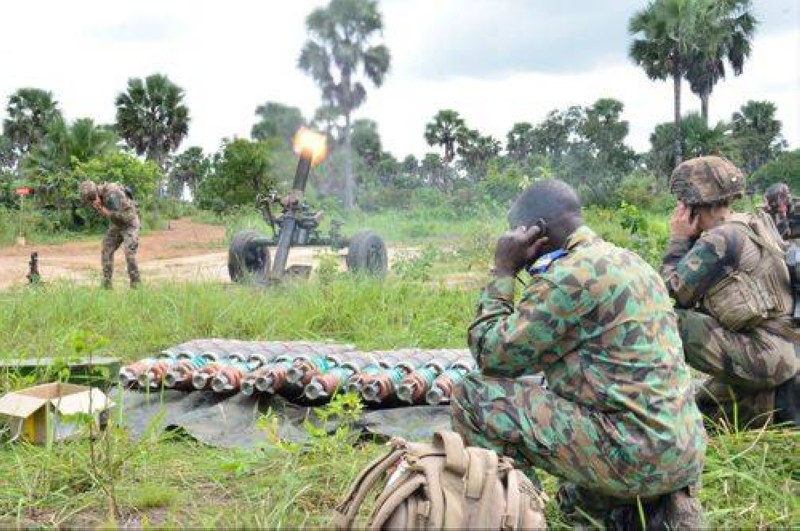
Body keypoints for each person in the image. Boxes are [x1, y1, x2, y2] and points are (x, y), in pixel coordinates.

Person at [451, 179, 706, 528]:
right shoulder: (630, 261)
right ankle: (646, 509)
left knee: (475, 394)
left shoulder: (571, 276)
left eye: (516, 233)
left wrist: (504, 270)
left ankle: (519, 515)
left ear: (536, 233)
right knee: (575, 507)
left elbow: (492, 354)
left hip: (636, 453)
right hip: (680, 449)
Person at [661, 156, 798, 429]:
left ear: (691, 205)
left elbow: (667, 294)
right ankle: (773, 402)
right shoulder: (752, 222)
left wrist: (678, 239)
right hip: (785, 348)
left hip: (765, 356)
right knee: (705, 406)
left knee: (662, 319)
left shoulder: (721, 239)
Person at [79, 180, 141, 289]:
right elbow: (111, 215)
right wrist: (100, 208)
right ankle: (106, 285)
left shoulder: (113, 193)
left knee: (129, 253)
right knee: (106, 248)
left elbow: (127, 216)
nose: (92, 202)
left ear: (96, 192)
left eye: (92, 199)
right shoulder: (97, 196)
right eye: (89, 201)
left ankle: (136, 285)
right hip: (117, 225)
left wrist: (107, 212)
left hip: (130, 224)